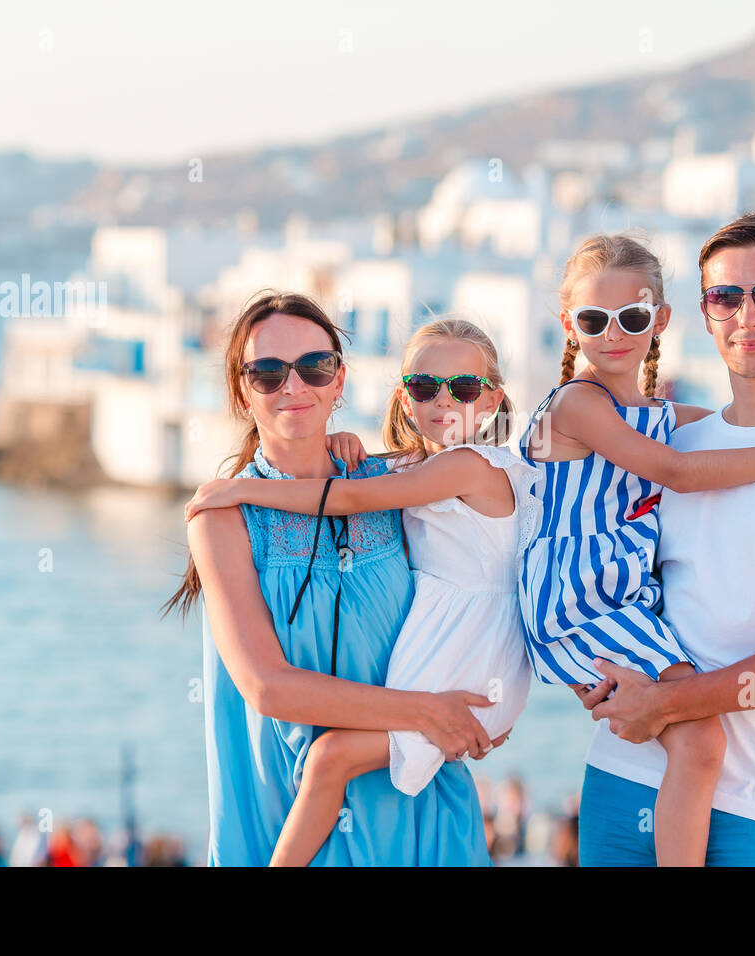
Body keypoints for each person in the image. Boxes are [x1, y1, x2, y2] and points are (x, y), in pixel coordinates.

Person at [519, 232, 755, 865]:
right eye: (726, 296)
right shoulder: (612, 420)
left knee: (700, 744)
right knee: (701, 745)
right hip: (621, 771)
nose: (747, 315)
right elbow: (676, 475)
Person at [185, 317, 535, 866]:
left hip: (418, 807)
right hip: (287, 803)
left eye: (315, 368)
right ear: (240, 388)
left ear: (340, 380)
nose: (294, 386)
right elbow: (267, 688)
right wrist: (426, 712)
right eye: (268, 373)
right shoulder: (222, 517)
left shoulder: (384, 483)